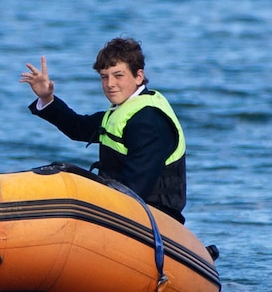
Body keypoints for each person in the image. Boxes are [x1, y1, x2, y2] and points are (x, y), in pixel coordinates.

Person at [20, 36, 187, 222]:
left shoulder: (148, 121)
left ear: (138, 76)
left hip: (155, 218)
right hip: (123, 207)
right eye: (104, 77)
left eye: (118, 75)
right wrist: (47, 98)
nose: (110, 84)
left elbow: (135, 188)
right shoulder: (123, 112)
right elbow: (78, 127)